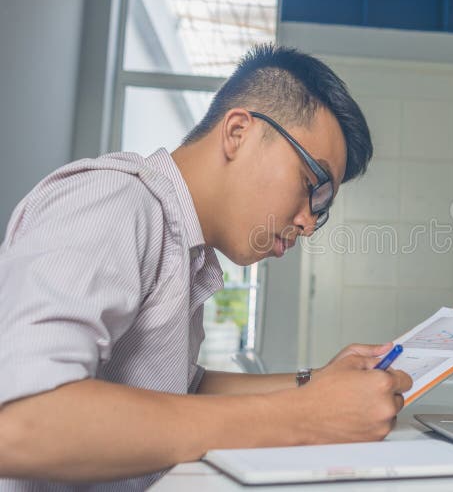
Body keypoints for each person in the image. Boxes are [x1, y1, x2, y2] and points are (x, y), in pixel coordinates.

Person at [0, 44, 412, 491]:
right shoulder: (117, 202)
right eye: (311, 185)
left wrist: (314, 385)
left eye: (322, 209)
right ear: (237, 132)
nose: (308, 223)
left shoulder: (184, 246)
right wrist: (303, 417)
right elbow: (21, 418)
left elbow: (176, 390)